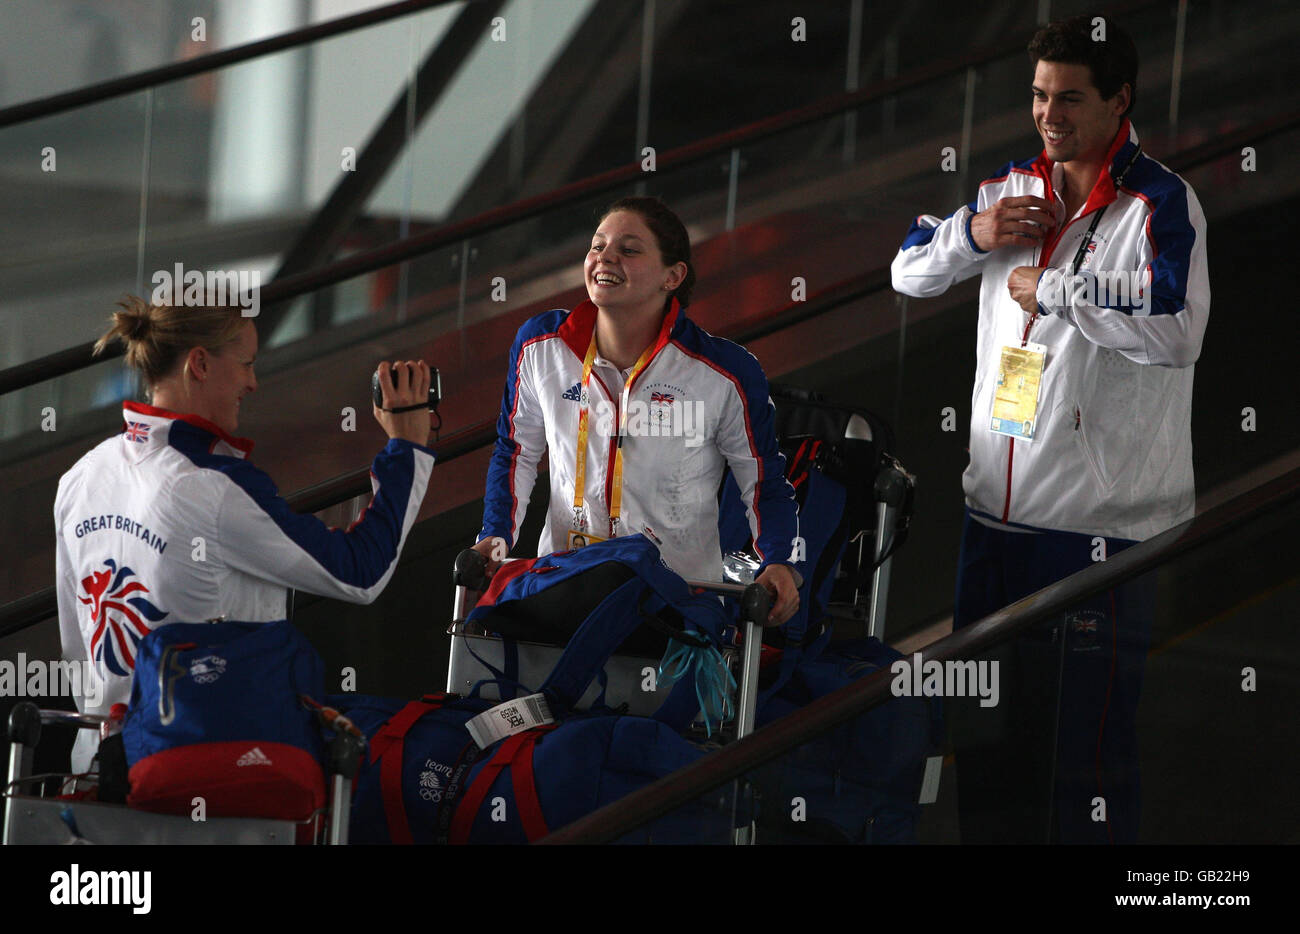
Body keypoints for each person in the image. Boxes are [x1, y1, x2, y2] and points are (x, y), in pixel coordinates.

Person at [890, 15, 1209, 843]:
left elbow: (1177, 328)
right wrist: (971, 234)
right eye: (1038, 95)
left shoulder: (1161, 203)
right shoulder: (1008, 192)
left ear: (1119, 101)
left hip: (1096, 536)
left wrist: (1062, 291)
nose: (1049, 113)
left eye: (1070, 97)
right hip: (992, 525)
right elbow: (906, 270)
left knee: (1085, 760)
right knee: (985, 744)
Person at [55, 296, 436, 774]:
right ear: (199, 363)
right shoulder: (213, 485)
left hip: (97, 766)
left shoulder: (82, 476)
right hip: (209, 770)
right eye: (247, 364)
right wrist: (407, 447)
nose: (253, 382)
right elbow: (361, 571)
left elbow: (77, 643)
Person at [473, 196, 802, 625]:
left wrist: (776, 559)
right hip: (562, 590)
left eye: (629, 249)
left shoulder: (725, 373)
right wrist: (495, 537)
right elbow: (515, 453)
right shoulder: (540, 346)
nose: (605, 257)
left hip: (673, 604)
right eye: (597, 246)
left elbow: (763, 483)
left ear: (673, 276)